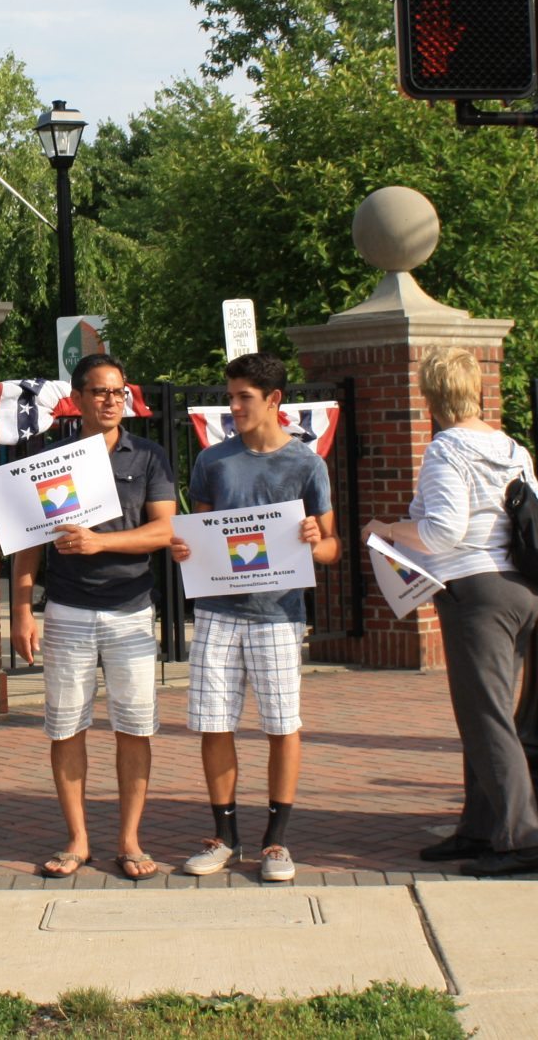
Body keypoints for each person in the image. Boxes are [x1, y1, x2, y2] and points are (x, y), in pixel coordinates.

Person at [364, 347, 538, 878]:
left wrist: (387, 530)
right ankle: (480, 827)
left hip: (476, 591)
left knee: (486, 718)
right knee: (487, 712)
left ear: (430, 396)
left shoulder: (446, 450)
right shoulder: (511, 448)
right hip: (520, 587)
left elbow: (444, 530)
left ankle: (519, 841)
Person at [167, 353, 338, 883]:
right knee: (214, 725)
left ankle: (276, 842)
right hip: (218, 612)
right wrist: (185, 549)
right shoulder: (213, 462)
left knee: (282, 726)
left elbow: (332, 547)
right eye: (231, 395)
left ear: (274, 400)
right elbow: (201, 535)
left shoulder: (306, 464)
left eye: (244, 396)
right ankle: (225, 836)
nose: (234, 405)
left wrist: (316, 540)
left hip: (278, 614)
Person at [11, 353, 177, 880]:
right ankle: (78, 839)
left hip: (130, 609)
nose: (111, 400)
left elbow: (163, 533)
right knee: (66, 728)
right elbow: (27, 545)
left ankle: (129, 840)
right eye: (100, 392)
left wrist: (100, 542)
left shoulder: (148, 456)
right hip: (67, 610)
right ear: (78, 398)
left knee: (134, 729)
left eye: (118, 391)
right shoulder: (50, 459)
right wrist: (20, 610)